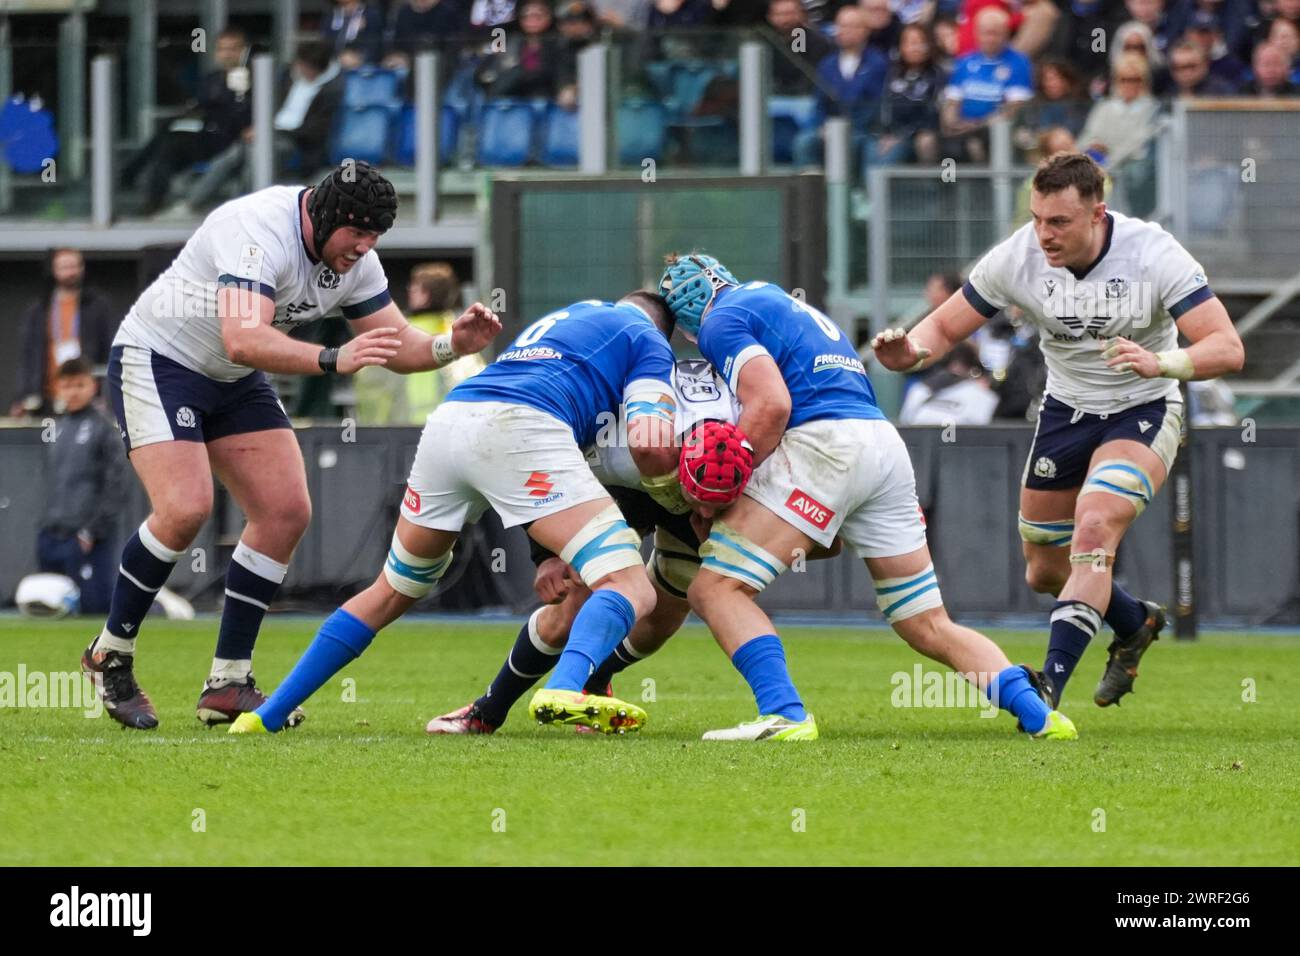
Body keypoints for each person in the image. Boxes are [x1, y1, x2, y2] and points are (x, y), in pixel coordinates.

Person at [81, 160, 502, 731]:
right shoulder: (258, 228)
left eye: (374, 237)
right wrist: (330, 359)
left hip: (232, 376)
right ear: (325, 216)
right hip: (161, 359)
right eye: (356, 234)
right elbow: (242, 336)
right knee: (185, 508)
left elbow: (397, 343)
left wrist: (451, 344)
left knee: (285, 512)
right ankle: (111, 653)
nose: (363, 248)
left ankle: (228, 682)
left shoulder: (356, 257)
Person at [872, 151, 1245, 710]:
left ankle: (1046, 685)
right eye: (1038, 218)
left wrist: (1163, 363)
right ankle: (1134, 621)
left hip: (1142, 408)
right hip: (1064, 413)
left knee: (1093, 533)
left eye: (1060, 222)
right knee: (1045, 570)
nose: (1044, 234)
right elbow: (946, 324)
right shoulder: (1018, 256)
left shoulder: (1153, 252)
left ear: (1098, 213)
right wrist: (911, 351)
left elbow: (1227, 347)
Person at [658, 253, 1079, 741]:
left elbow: (772, 404)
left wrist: (725, 488)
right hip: (882, 446)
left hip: (827, 446)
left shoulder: (719, 319)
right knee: (926, 623)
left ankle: (784, 713)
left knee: (713, 589)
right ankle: (1040, 715)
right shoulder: (774, 299)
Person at [230, 293, 682, 736]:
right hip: (520, 425)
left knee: (392, 588)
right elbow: (648, 439)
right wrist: (679, 497)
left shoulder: (569, 316)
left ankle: (266, 716)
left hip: (450, 424)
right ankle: (565, 688)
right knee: (629, 584)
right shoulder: (648, 339)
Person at [426, 359, 747, 733]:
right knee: (573, 601)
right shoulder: (613, 440)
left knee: (666, 611)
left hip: (688, 469)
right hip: (619, 487)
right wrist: (545, 556)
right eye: (701, 501)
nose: (705, 514)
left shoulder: (745, 426)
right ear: (676, 466)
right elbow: (544, 472)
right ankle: (487, 711)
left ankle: (594, 680)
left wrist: (721, 517)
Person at [170, 40, 345, 215]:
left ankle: (241, 208)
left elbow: (316, 130)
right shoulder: (288, 77)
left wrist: (269, 132)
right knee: (233, 155)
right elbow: (271, 106)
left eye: (307, 68)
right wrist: (261, 128)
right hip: (270, 132)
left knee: (254, 155)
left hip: (296, 140)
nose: (302, 71)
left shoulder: (332, 90)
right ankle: (193, 203)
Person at [120, 28, 252, 215]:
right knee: (168, 136)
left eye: (232, 49)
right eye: (222, 49)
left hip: (230, 140)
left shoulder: (254, 80)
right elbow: (200, 105)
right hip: (206, 135)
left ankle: (131, 179)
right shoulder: (211, 78)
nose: (227, 54)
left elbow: (244, 114)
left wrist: (239, 94)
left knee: (169, 140)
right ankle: (148, 196)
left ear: (243, 51)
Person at [36, 359, 125, 616]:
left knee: (94, 609)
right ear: (58, 389)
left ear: (92, 386)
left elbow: (116, 486)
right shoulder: (57, 429)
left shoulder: (104, 428)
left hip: (87, 539)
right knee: (50, 613)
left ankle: (156, 607)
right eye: (66, 386)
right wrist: (44, 525)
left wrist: (92, 530)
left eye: (79, 385)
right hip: (52, 536)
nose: (73, 392)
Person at [354, 262, 486, 424]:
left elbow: (372, 390)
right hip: (446, 436)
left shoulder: (399, 334)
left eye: (414, 287)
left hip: (400, 437)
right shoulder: (460, 338)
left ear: (425, 295)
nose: (409, 291)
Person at [11, 248, 116, 417]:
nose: (70, 272)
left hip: (88, 399)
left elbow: (109, 351)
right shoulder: (39, 309)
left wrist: (105, 393)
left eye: (74, 266)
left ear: (82, 268)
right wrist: (23, 396)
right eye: (64, 267)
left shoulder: (97, 306)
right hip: (47, 399)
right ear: (53, 270)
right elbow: (28, 357)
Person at [793, 5, 889, 168]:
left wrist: (845, 129)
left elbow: (875, 105)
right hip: (829, 127)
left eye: (851, 26)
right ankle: (810, 188)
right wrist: (821, 127)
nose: (845, 31)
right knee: (804, 142)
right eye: (841, 26)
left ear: (865, 30)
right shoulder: (827, 64)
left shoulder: (878, 62)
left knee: (852, 144)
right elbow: (820, 103)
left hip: (862, 130)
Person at [940, 5, 1033, 163]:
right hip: (962, 127)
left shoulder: (1018, 62)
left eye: (995, 33)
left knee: (976, 143)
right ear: (976, 33)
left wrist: (976, 125)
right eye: (986, 33)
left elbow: (1014, 107)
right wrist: (950, 122)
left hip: (996, 130)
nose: (990, 39)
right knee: (937, 142)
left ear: (1006, 34)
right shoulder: (965, 61)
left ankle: (990, 187)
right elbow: (951, 100)